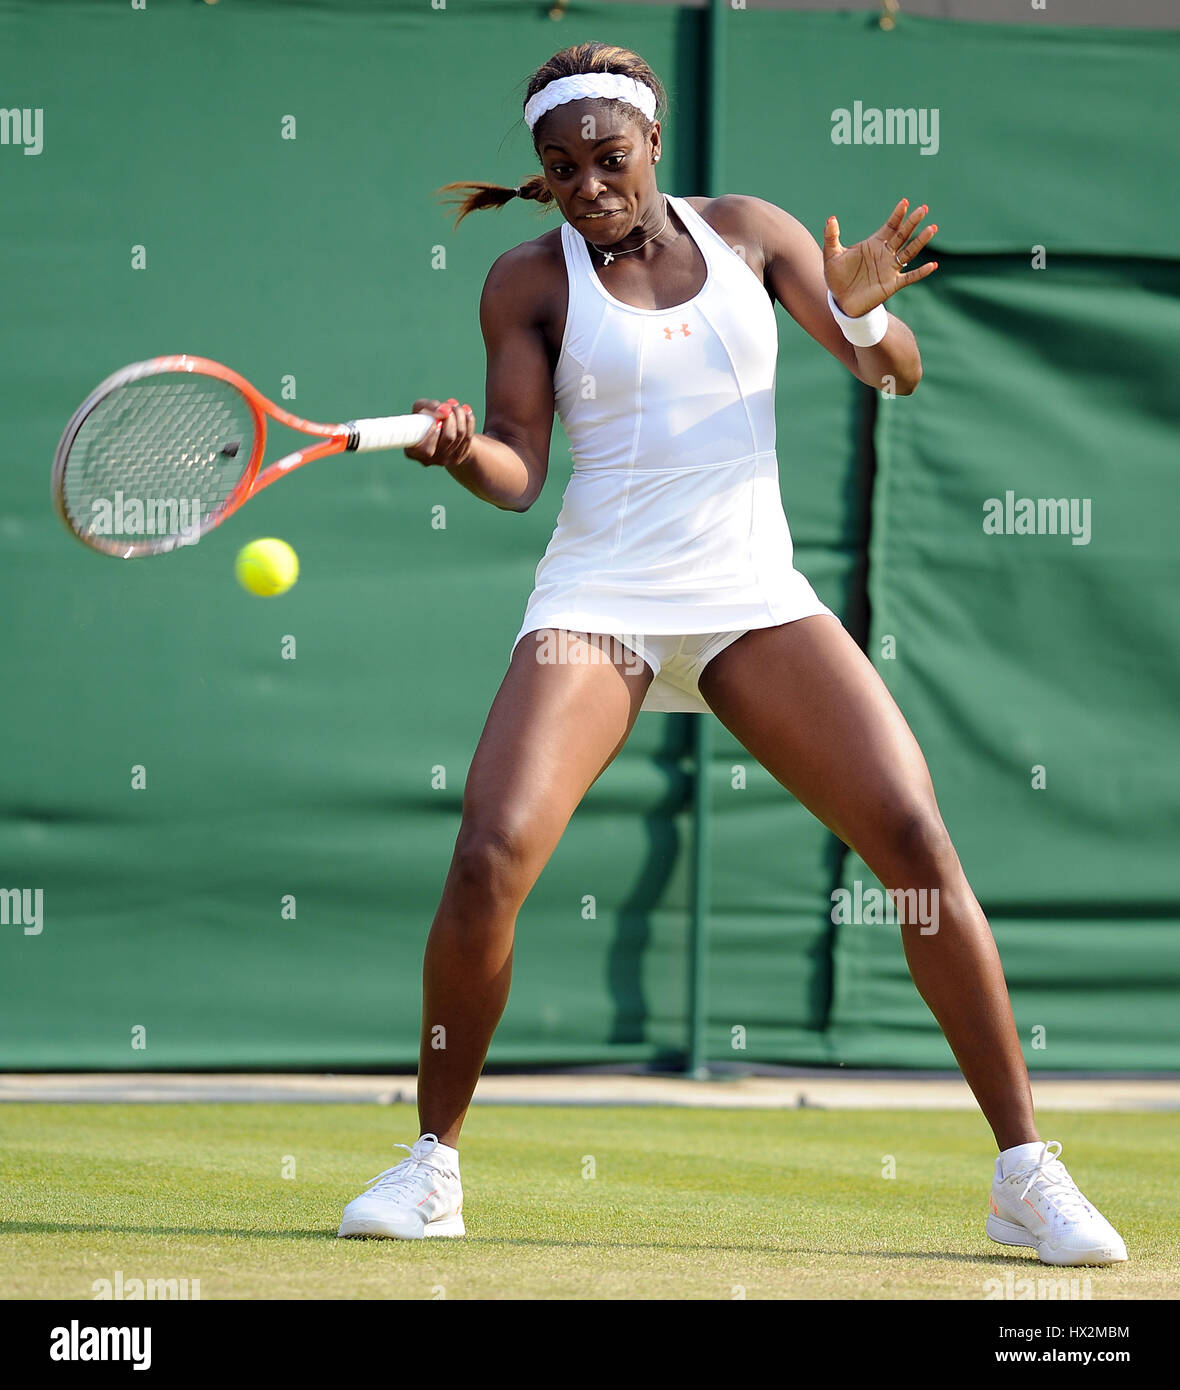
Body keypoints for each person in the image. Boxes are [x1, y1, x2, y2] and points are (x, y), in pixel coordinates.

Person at [337, 42, 1127, 1268]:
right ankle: (430, 1163)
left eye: (609, 158)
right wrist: (454, 449)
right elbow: (516, 471)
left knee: (914, 840)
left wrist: (863, 307)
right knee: (489, 854)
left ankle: (1025, 1171)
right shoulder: (524, 284)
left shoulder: (752, 235)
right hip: (600, 598)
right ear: (541, 178)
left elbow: (893, 375)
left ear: (651, 145)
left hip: (751, 598)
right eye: (561, 169)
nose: (589, 185)